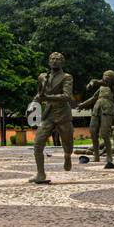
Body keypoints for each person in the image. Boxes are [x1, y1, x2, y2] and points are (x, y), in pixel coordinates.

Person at [31, 52, 73, 184]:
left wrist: (47, 97)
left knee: (67, 143)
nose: (54, 61)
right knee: (38, 143)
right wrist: (34, 102)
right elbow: (39, 94)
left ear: (62, 62)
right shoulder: (43, 76)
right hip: (48, 114)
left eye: (58, 59)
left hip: (62, 114)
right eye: (52, 59)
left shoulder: (66, 77)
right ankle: (41, 174)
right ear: (49, 62)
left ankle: (67, 156)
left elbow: (67, 96)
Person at [78, 71, 114, 168]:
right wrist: (82, 105)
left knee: (105, 133)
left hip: (108, 109)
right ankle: (96, 155)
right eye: (104, 76)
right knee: (93, 131)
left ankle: (109, 156)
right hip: (97, 108)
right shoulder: (101, 87)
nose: (105, 78)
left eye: (108, 76)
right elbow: (93, 98)